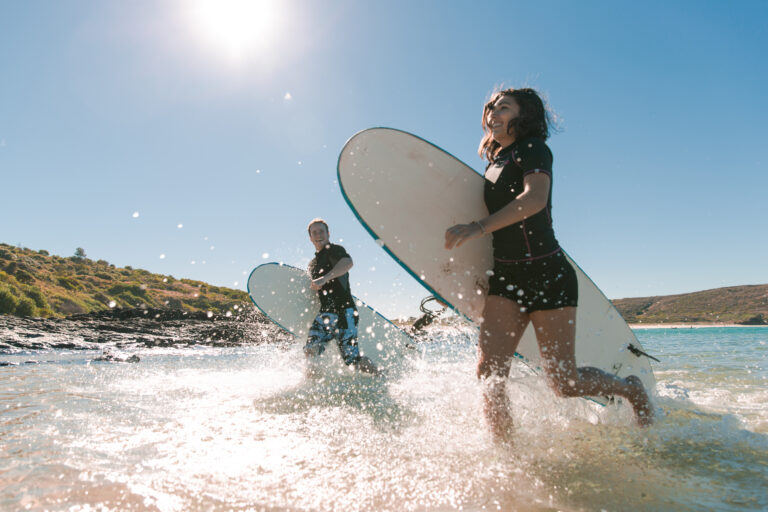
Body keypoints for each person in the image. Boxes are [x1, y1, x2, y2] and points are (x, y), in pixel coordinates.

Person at [444, 88, 653, 438]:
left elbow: (535, 199)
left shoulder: (532, 149)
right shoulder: (494, 163)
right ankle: (507, 455)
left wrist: (477, 228)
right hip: (506, 276)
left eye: (503, 107)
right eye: (491, 107)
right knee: (489, 373)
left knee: (564, 382)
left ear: (523, 115)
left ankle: (630, 388)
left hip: (547, 273)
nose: (493, 113)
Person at [304, 218, 378, 375]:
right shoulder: (312, 264)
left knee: (352, 361)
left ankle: (381, 376)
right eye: (314, 232)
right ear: (310, 237)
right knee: (310, 350)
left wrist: (325, 278)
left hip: (345, 312)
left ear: (328, 234)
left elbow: (348, 263)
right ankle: (312, 386)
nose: (318, 235)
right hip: (326, 313)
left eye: (321, 231)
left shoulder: (334, 250)